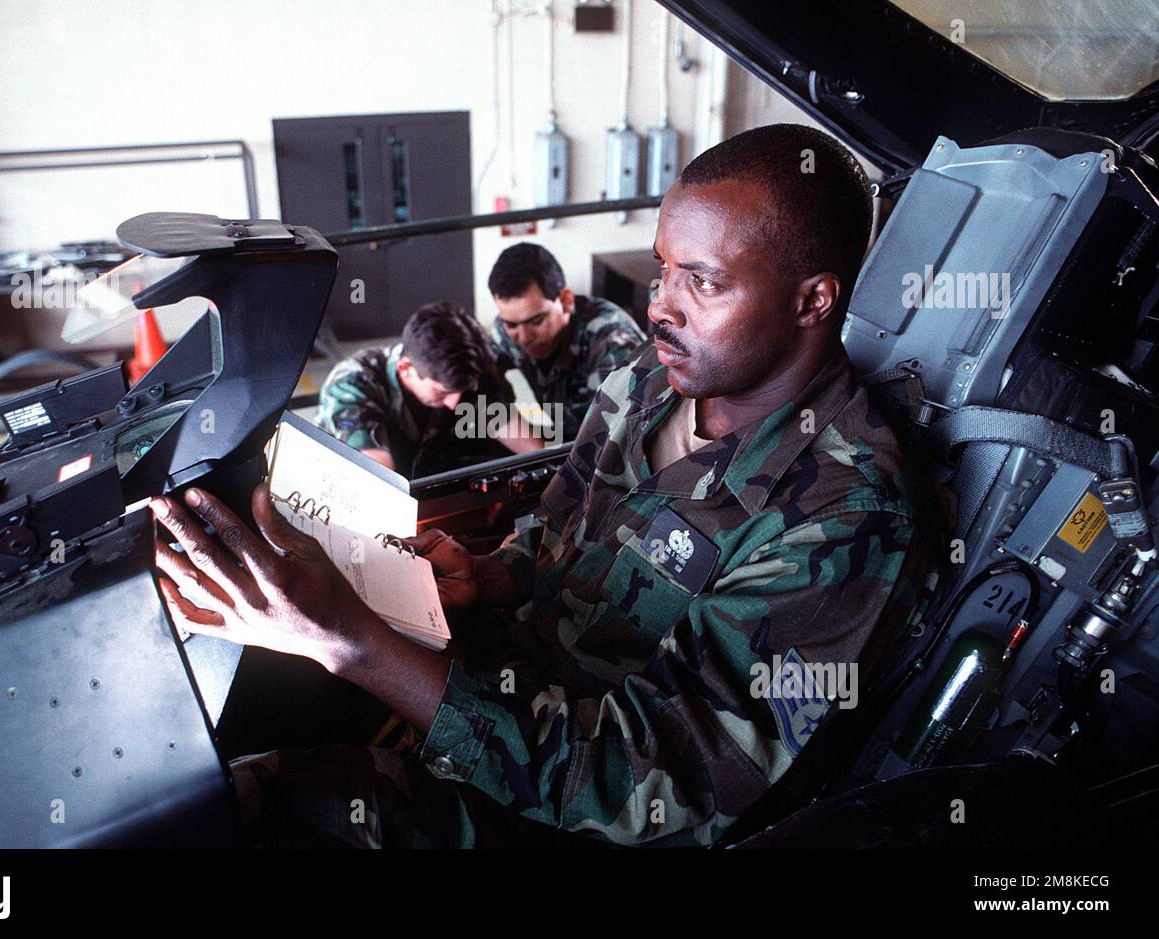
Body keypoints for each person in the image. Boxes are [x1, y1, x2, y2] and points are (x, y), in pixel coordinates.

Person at [152, 123, 943, 847]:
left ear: (813, 299)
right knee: (190, 749)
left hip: (550, 811)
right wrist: (496, 574)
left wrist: (353, 641)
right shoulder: (650, 380)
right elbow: (559, 524)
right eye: (662, 269)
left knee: (236, 815)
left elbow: (654, 785)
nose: (659, 307)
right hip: (491, 691)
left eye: (701, 283)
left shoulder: (844, 517)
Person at [315, 300, 540, 476]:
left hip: (430, 484)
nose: (455, 403)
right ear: (406, 369)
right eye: (442, 392)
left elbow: (531, 449)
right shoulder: (354, 385)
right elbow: (377, 485)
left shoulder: (464, 367)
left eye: (462, 390)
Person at [488, 243, 644, 443]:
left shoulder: (612, 342)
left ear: (565, 300)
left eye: (536, 321)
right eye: (511, 324)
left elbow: (609, 436)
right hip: (560, 433)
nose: (524, 337)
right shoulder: (505, 332)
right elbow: (483, 393)